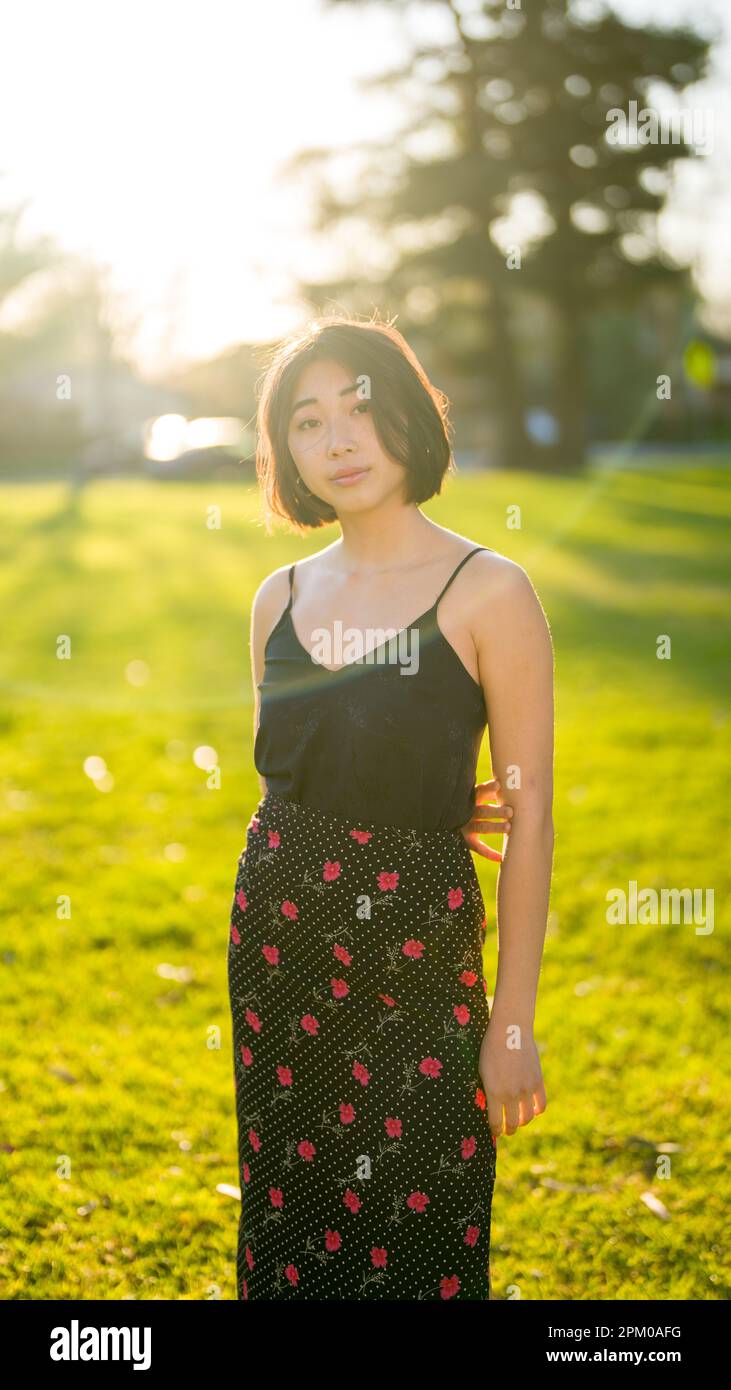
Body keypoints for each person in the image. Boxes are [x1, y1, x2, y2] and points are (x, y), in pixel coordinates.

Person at [227, 313, 554, 1301]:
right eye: (306, 422)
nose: (336, 441)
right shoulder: (275, 598)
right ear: (284, 451)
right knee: (292, 1216)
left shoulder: (487, 589)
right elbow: (301, 771)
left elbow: (531, 818)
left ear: (407, 414)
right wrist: (413, 795)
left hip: (416, 946)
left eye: (357, 410)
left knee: (419, 1216)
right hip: (277, 942)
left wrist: (510, 1023)